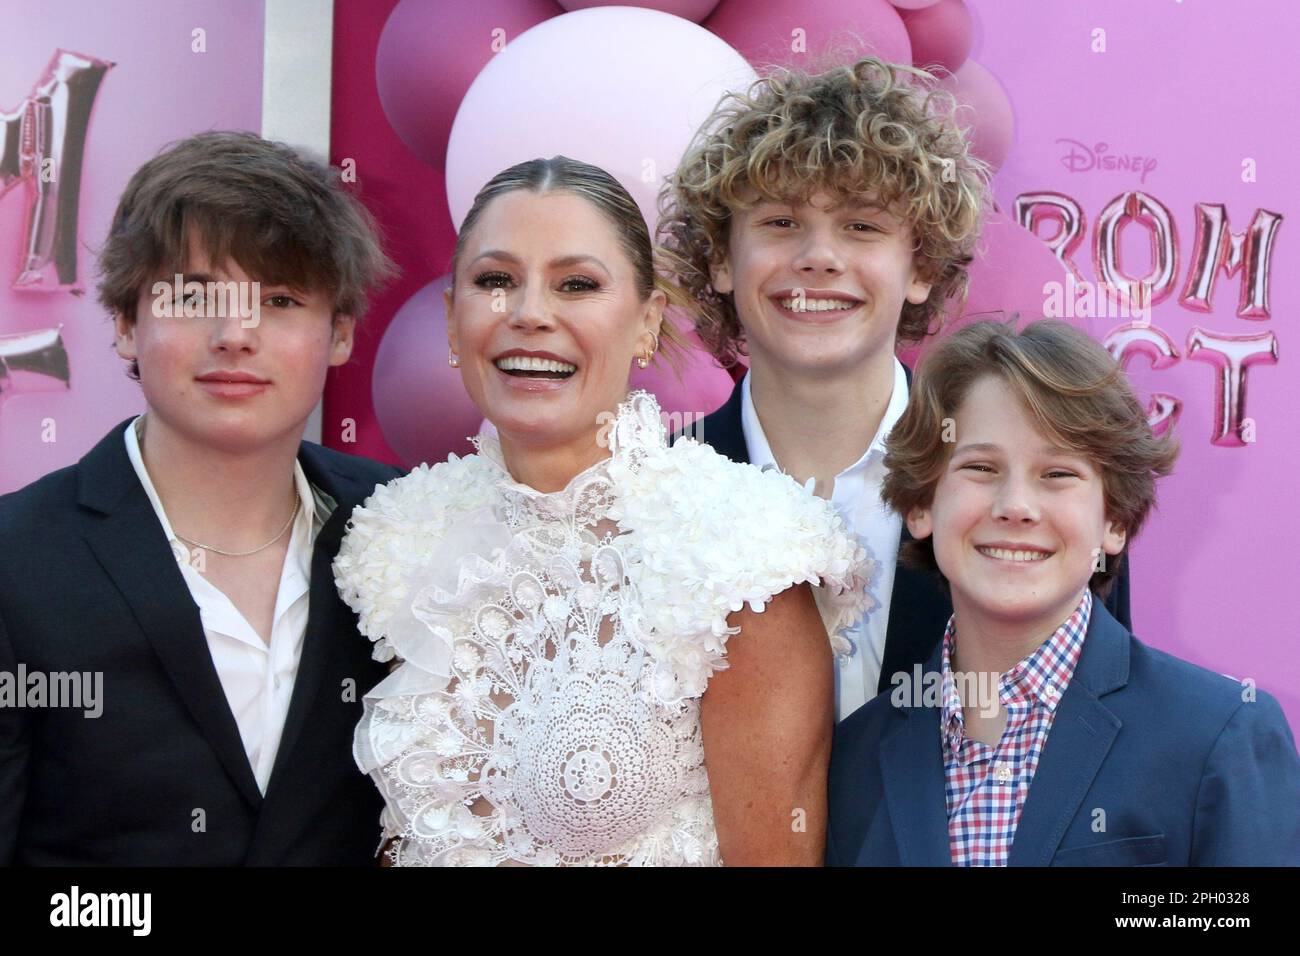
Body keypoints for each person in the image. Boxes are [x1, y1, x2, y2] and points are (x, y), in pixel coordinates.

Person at [332, 155, 871, 866]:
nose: (529, 314)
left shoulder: (742, 551)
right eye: (495, 281)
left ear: (646, 322)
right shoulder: (396, 537)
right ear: (453, 322)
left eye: (577, 285)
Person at [657, 56, 1132, 723]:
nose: (819, 258)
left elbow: (1107, 737)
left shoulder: (1031, 493)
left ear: (922, 268)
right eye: (780, 222)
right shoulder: (646, 495)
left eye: (862, 226)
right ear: (719, 260)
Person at [0, 131, 401, 864]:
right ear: (126, 323)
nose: (235, 334)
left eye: (279, 300)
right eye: (194, 296)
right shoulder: (16, 560)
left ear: (340, 333)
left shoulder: (405, 528)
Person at [826, 320, 1300, 866]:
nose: (1016, 505)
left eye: (1057, 474)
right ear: (921, 506)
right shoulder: (856, 758)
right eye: (980, 467)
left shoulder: (1220, 735)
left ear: (1114, 520)